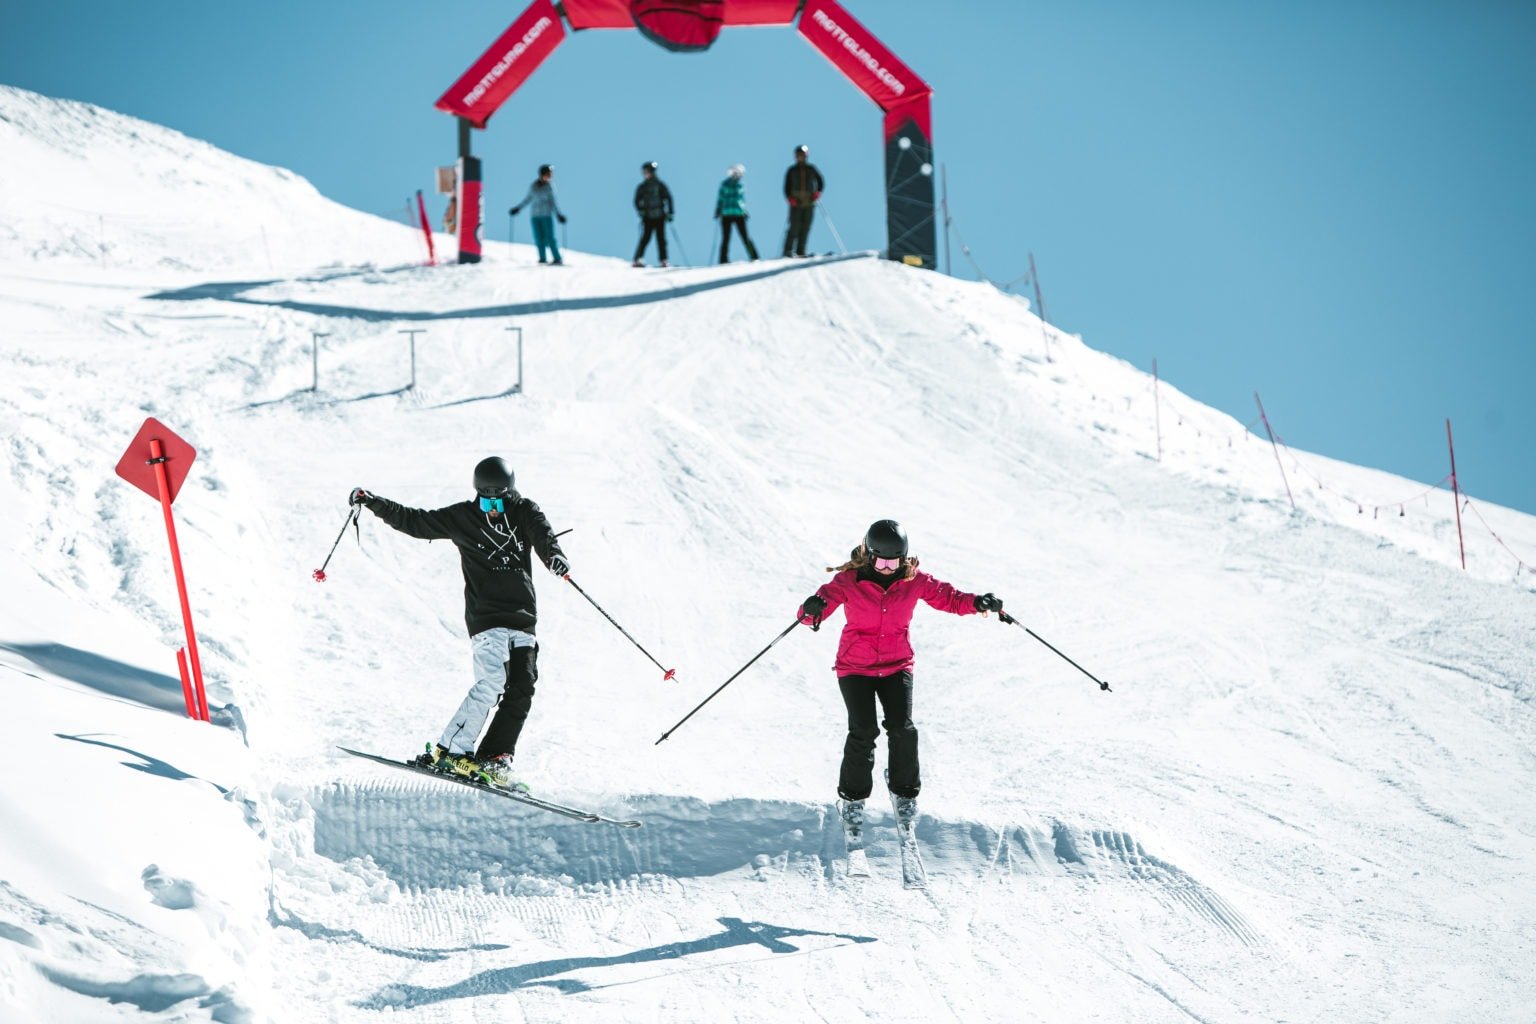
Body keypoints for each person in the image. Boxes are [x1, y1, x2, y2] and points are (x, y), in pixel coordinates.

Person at [348, 456, 570, 790]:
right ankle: (451, 749)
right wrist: (375, 502)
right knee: (492, 681)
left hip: (523, 619)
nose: (492, 506)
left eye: (499, 499)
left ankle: (495, 757)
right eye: (486, 499)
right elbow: (415, 521)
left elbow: (543, 534)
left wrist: (554, 555)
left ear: (510, 493)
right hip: (487, 617)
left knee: (523, 687)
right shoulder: (463, 517)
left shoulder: (524, 510)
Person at [795, 520, 1003, 848]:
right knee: (863, 732)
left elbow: (948, 598)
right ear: (868, 555)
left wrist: (978, 603)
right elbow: (812, 614)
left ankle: (904, 794)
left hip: (896, 665)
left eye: (894, 562)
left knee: (903, 729)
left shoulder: (913, 580)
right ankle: (852, 799)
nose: (888, 568)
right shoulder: (848, 581)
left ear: (903, 558)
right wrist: (812, 610)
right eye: (881, 561)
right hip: (856, 668)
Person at [508, 164, 568, 265]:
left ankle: (557, 258)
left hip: (546, 216)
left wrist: (558, 214)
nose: (550, 176)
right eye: (548, 174)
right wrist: (518, 208)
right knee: (538, 238)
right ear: (542, 174)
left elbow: (553, 202)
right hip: (535, 216)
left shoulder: (549, 187)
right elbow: (528, 199)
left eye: (550, 174)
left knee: (549, 237)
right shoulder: (533, 186)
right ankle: (542, 258)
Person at [781, 144, 825, 258]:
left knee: (805, 227)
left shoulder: (811, 168)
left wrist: (818, 192)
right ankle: (788, 251)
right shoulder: (792, 170)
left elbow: (820, 181)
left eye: (803, 154)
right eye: (799, 155)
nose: (801, 157)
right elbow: (786, 186)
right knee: (794, 226)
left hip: (809, 202)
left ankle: (801, 251)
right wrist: (789, 198)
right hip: (796, 202)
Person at [713, 164, 759, 264]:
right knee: (726, 237)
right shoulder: (724, 184)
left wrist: (745, 211)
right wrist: (718, 210)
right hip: (726, 214)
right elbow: (720, 198)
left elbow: (741, 201)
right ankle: (723, 260)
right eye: (734, 172)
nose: (736, 175)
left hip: (739, 214)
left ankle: (754, 256)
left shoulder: (740, 185)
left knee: (745, 236)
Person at [633, 161, 674, 267]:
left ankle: (663, 260)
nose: (645, 174)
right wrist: (640, 210)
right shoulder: (643, 186)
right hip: (648, 217)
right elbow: (636, 200)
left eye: (646, 172)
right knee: (645, 238)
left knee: (661, 239)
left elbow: (669, 198)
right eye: (644, 172)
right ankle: (638, 259)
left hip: (660, 216)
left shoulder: (660, 185)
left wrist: (670, 213)